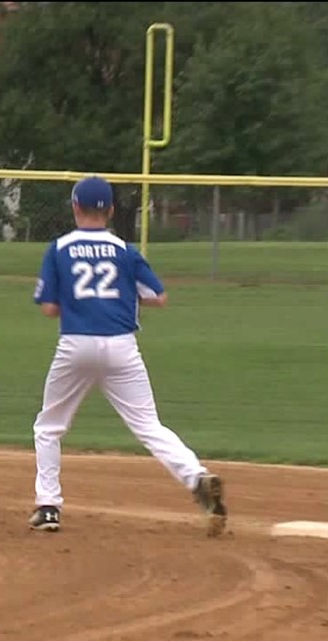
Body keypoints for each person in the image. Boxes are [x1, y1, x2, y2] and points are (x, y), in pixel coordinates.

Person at [27, 175, 228, 537]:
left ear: (75, 207)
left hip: (76, 345)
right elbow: (159, 297)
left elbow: (50, 309)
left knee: (49, 426)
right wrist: (124, 299)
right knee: (149, 427)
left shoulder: (59, 248)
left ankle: (48, 507)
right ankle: (197, 477)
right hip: (122, 347)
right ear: (112, 211)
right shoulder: (124, 250)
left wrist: (80, 301)